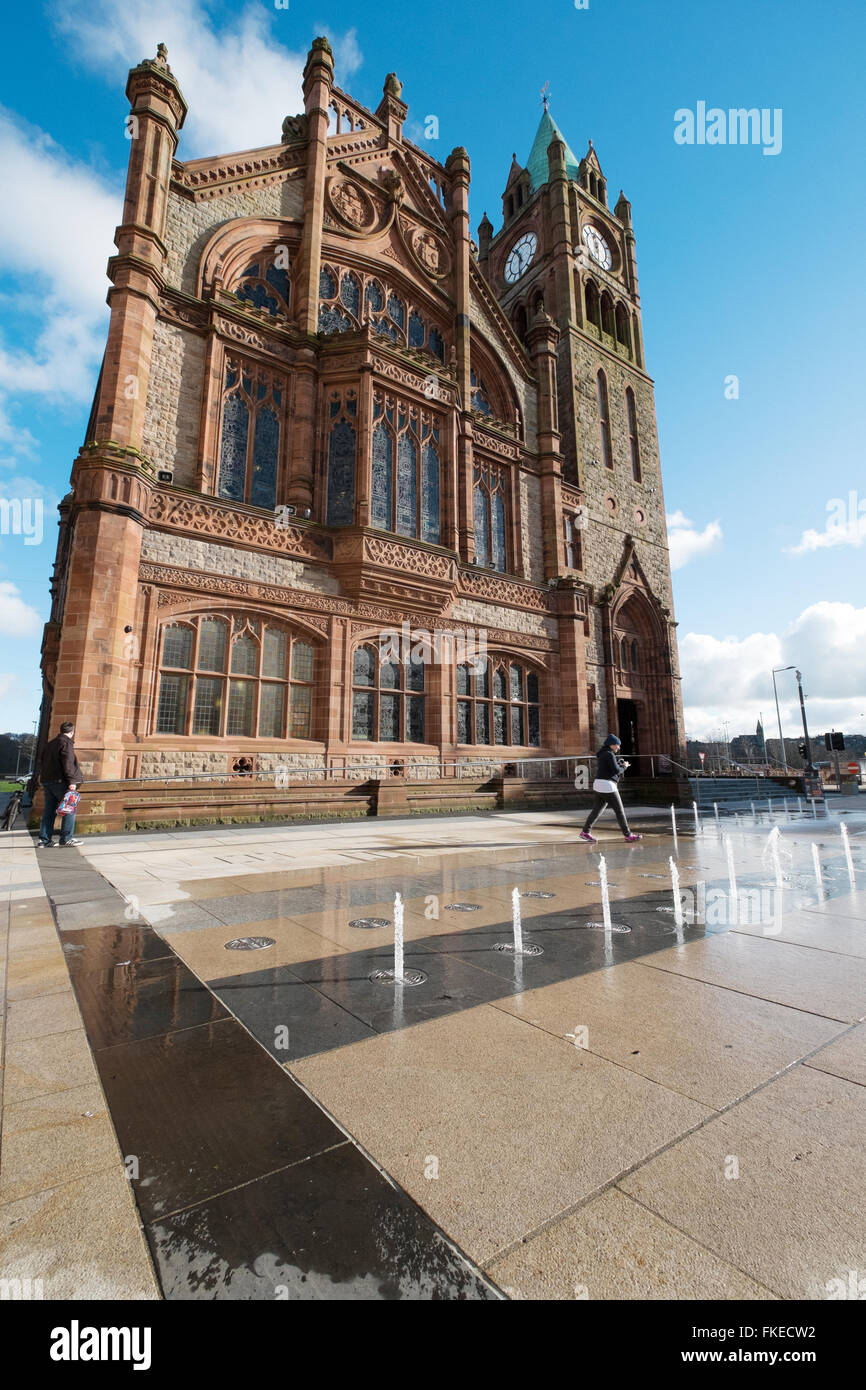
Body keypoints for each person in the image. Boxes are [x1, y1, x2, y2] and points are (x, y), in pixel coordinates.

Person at [579, 733, 642, 843]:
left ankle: (585, 832)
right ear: (612, 745)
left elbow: (610, 768)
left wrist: (619, 765)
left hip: (598, 784)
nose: (619, 747)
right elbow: (616, 771)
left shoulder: (603, 753)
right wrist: (624, 766)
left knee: (597, 810)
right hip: (607, 785)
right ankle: (628, 835)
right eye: (618, 745)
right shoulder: (609, 754)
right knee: (619, 811)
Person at [38, 722, 84, 847]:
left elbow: (42, 762)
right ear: (72, 732)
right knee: (69, 809)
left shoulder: (50, 744)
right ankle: (66, 838)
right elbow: (68, 764)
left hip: (47, 781)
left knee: (49, 811)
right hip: (61, 782)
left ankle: (44, 840)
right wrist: (72, 782)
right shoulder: (66, 743)